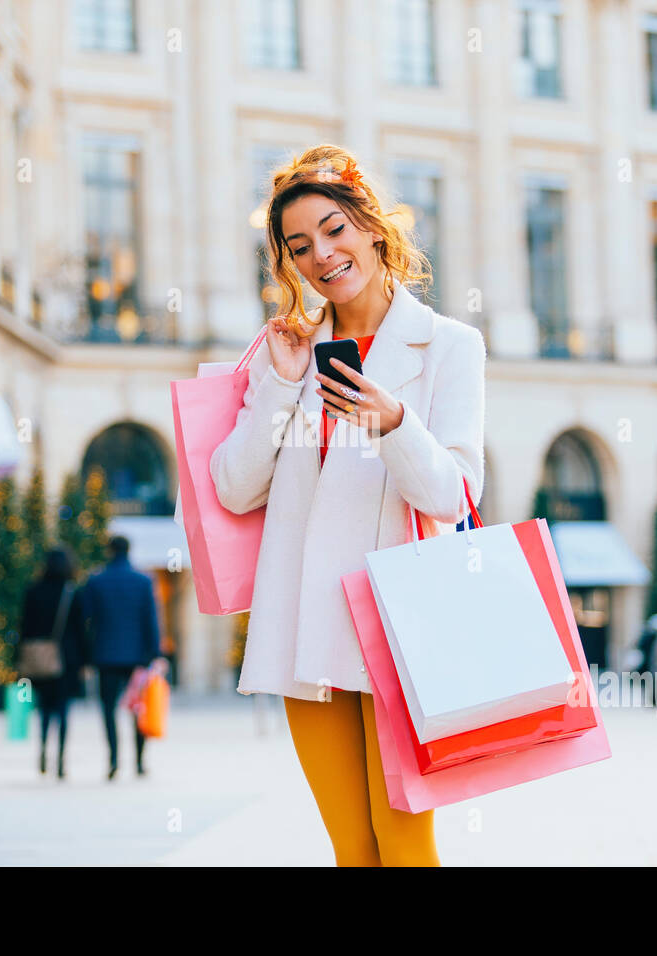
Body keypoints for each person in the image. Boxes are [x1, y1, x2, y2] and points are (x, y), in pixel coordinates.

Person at [209, 145, 486, 866]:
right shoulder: (290, 357)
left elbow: (455, 497)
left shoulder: (449, 346)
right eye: (299, 247)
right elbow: (235, 489)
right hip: (307, 631)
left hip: (399, 628)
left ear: (371, 226)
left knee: (405, 846)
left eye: (334, 230)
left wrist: (396, 423)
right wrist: (278, 382)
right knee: (351, 851)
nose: (322, 255)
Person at [81, 535, 162, 779]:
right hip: (137, 656)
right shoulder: (143, 581)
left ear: (109, 551)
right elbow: (151, 620)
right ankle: (138, 761)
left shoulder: (95, 581)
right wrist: (154, 653)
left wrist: (87, 655)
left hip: (105, 655)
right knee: (138, 708)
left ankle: (113, 759)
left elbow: (86, 620)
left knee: (107, 709)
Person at [18, 547, 88, 779]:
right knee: (63, 710)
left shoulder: (32, 590)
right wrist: (85, 661)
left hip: (39, 658)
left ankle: (43, 751)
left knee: (45, 709)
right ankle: (60, 760)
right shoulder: (72, 592)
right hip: (66, 659)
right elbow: (80, 630)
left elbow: (24, 626)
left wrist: (19, 657)